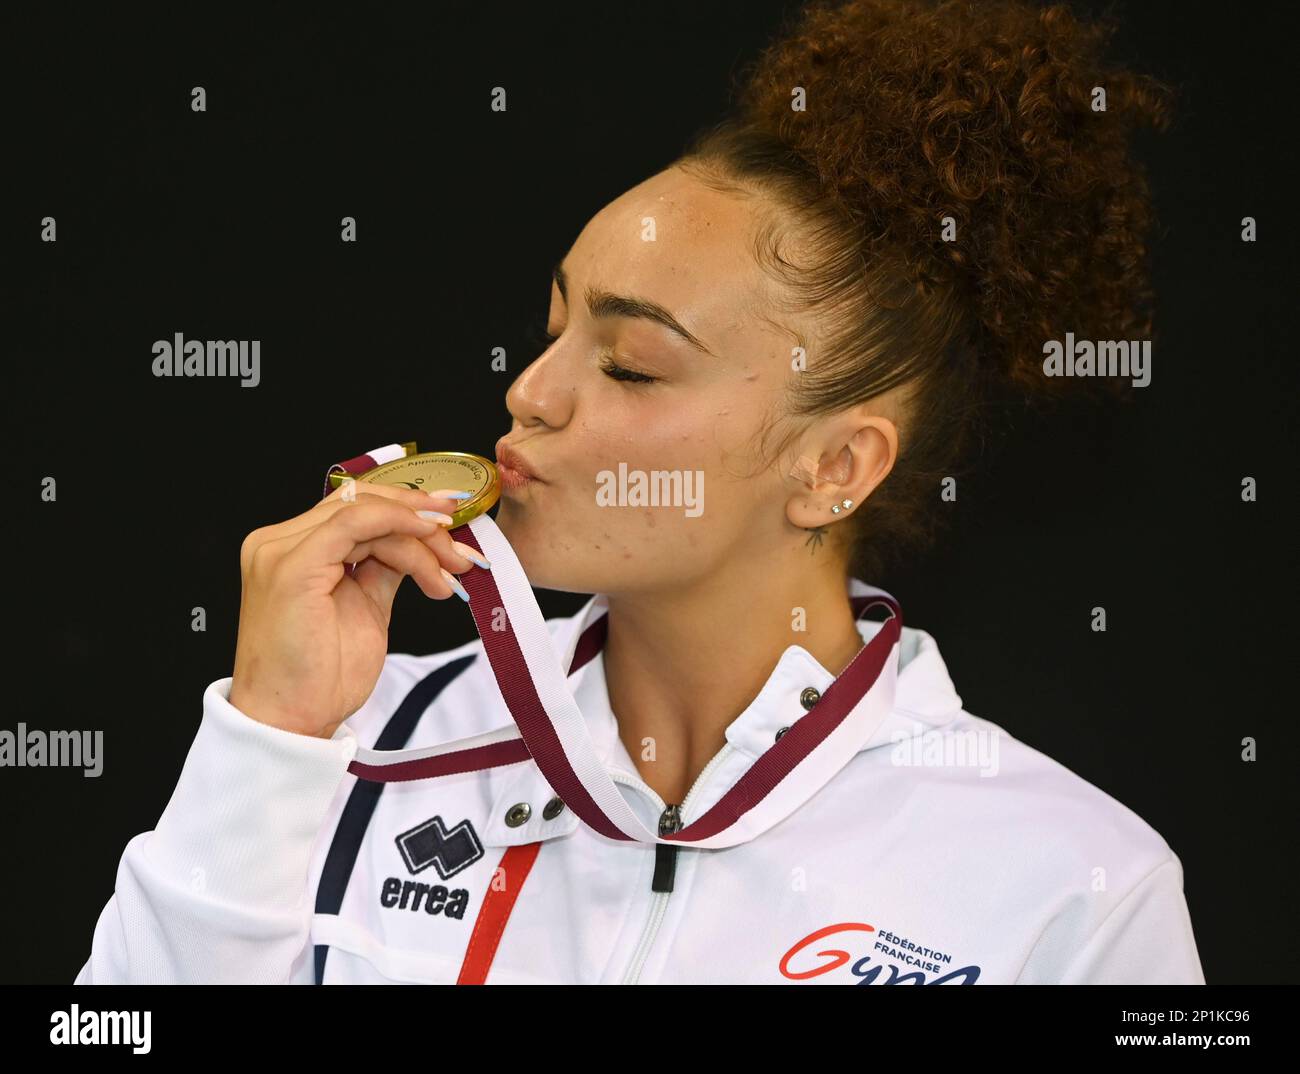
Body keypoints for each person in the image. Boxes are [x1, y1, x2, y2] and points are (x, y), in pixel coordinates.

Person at [76, 0, 1204, 984]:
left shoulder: (1073, 886)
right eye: (555, 325)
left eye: (629, 364)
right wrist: (271, 734)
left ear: (835, 469)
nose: (529, 393)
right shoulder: (356, 737)